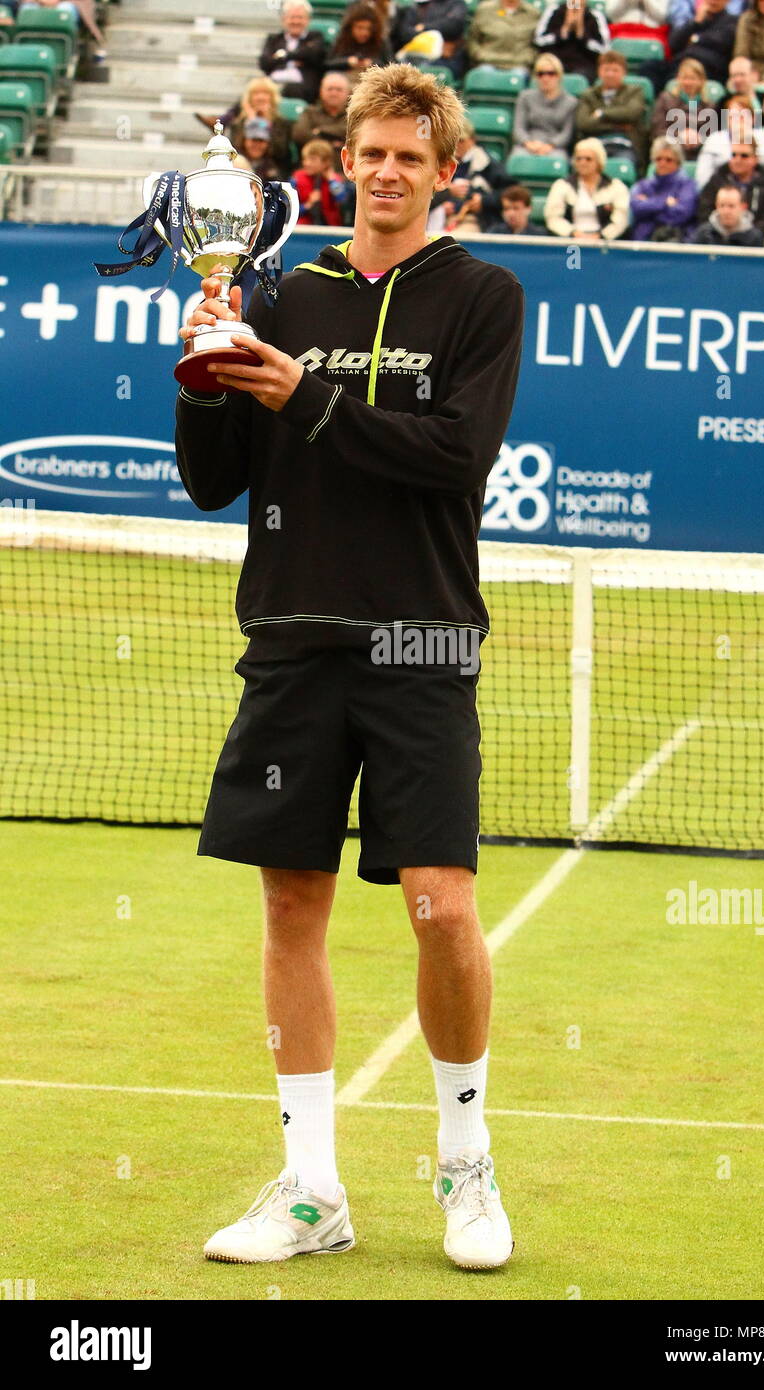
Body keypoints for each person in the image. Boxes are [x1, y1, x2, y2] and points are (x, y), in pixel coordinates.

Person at [174, 61, 524, 1273]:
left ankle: (465, 1164)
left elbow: (454, 455)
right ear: (348, 162)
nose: (386, 173)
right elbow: (215, 478)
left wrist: (305, 398)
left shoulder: (481, 295)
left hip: (422, 636)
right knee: (289, 904)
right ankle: (313, 1188)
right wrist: (210, 364)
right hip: (292, 636)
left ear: (442, 173)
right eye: (370, 154)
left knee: (442, 899)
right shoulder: (281, 291)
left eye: (409, 159)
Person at [434, 118, 514, 229]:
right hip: (435, 217)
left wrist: (483, 201)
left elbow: (511, 192)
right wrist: (445, 196)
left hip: (472, 220)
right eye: (453, 140)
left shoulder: (486, 162)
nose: (457, 145)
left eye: (461, 141)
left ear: (472, 140)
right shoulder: (439, 161)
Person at [543, 135, 631, 236]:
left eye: (588, 159)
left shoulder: (616, 187)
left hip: (605, 245)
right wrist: (573, 233)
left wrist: (601, 236)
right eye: (578, 159)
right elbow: (553, 217)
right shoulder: (561, 185)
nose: (582, 162)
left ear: (599, 162)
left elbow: (621, 219)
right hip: (570, 243)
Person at [575, 49, 647, 166]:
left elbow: (631, 113)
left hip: (625, 146)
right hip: (593, 147)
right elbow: (584, 124)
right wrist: (617, 125)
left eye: (615, 70)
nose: (610, 74)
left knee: (623, 164)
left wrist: (601, 113)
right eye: (606, 70)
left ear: (624, 72)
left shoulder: (635, 92)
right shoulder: (588, 95)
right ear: (599, 71)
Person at [645, 0, 738, 92]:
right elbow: (673, 43)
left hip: (708, 69)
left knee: (685, 77)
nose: (713, 1)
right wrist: (695, 22)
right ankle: (655, 105)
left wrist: (695, 39)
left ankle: (689, 105)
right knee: (651, 66)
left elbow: (720, 41)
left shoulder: (732, 21)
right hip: (680, 64)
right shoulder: (696, 19)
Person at [694, 95, 764, 183]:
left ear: (753, 118)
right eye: (732, 117)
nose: (737, 121)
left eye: (742, 116)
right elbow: (703, 175)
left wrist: (744, 137)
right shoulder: (715, 139)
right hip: (722, 189)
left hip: (759, 187)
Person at [696, 137, 764, 228]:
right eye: (733, 155)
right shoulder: (717, 179)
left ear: (755, 159)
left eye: (744, 156)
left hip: (754, 238)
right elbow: (704, 212)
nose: (738, 160)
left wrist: (750, 234)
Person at [629, 137, 699, 237]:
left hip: (674, 241)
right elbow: (637, 208)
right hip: (643, 241)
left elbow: (681, 215)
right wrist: (665, 203)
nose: (662, 163)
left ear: (678, 162)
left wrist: (649, 204)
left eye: (668, 160)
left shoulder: (687, 186)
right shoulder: (642, 186)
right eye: (658, 159)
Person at [260, 0, 328, 102]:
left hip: (302, 88)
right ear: (284, 19)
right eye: (292, 17)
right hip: (273, 83)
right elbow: (264, 63)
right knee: (255, 91)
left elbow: (314, 54)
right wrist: (299, 56)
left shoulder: (315, 37)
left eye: (300, 17)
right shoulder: (274, 39)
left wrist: (283, 55)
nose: (296, 22)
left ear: (308, 20)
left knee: (287, 89)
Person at [511, 53, 577, 156]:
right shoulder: (525, 97)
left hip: (556, 147)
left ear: (559, 75)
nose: (545, 78)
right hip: (528, 144)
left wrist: (551, 145)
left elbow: (567, 133)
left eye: (551, 73)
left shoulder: (570, 102)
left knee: (557, 157)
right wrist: (528, 143)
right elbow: (518, 128)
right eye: (540, 74)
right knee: (519, 157)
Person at [533, 0, 611, 85]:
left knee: (578, 80)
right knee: (546, 73)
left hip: (584, 64)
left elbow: (604, 49)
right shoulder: (554, 11)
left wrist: (582, 34)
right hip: (555, 61)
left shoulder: (595, 15)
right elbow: (538, 41)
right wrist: (564, 30)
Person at [650, 57, 717, 153]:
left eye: (692, 78)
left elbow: (713, 135)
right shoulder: (665, 99)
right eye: (685, 78)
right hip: (670, 149)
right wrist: (680, 135)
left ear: (702, 81)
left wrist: (698, 138)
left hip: (699, 150)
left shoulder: (710, 106)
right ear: (678, 79)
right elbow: (657, 130)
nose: (688, 82)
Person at [391, 0, 469, 79]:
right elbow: (405, 33)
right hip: (413, 56)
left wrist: (424, 27)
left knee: (424, 73)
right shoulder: (418, 6)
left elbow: (453, 25)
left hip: (445, 59)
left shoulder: (456, 3)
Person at [293, 72, 352, 173]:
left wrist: (321, 131)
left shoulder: (353, 114)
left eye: (339, 90)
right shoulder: (310, 112)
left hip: (346, 174)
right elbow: (299, 133)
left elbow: (352, 132)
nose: (334, 93)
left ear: (348, 93)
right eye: (330, 89)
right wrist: (331, 144)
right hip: (311, 174)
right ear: (321, 92)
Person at [466, 0, 540, 74]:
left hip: (520, 64)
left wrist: (528, 58)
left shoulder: (533, 14)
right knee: (484, 74)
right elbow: (473, 39)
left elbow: (536, 44)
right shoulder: (484, 10)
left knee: (518, 75)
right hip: (488, 62)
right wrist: (479, 55)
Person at [326, 4, 393, 76]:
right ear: (351, 27)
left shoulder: (381, 42)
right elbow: (328, 63)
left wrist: (371, 64)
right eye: (360, 27)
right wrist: (347, 62)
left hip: (373, 81)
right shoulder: (342, 40)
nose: (364, 32)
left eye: (368, 29)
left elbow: (391, 65)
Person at [292, 137, 347, 223]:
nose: (307, 163)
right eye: (305, 159)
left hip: (330, 232)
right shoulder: (296, 179)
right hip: (303, 230)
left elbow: (343, 202)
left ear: (326, 162)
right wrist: (308, 205)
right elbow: (288, 212)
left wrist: (331, 180)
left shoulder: (335, 181)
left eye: (312, 159)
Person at [691, 182, 764, 241]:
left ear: (743, 207)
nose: (726, 211)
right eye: (722, 205)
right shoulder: (703, 234)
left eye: (731, 206)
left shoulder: (755, 238)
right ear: (716, 206)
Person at [239, 117, 287, 183]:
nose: (257, 145)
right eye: (254, 140)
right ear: (244, 140)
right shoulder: (234, 161)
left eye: (261, 141)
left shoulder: (272, 167)